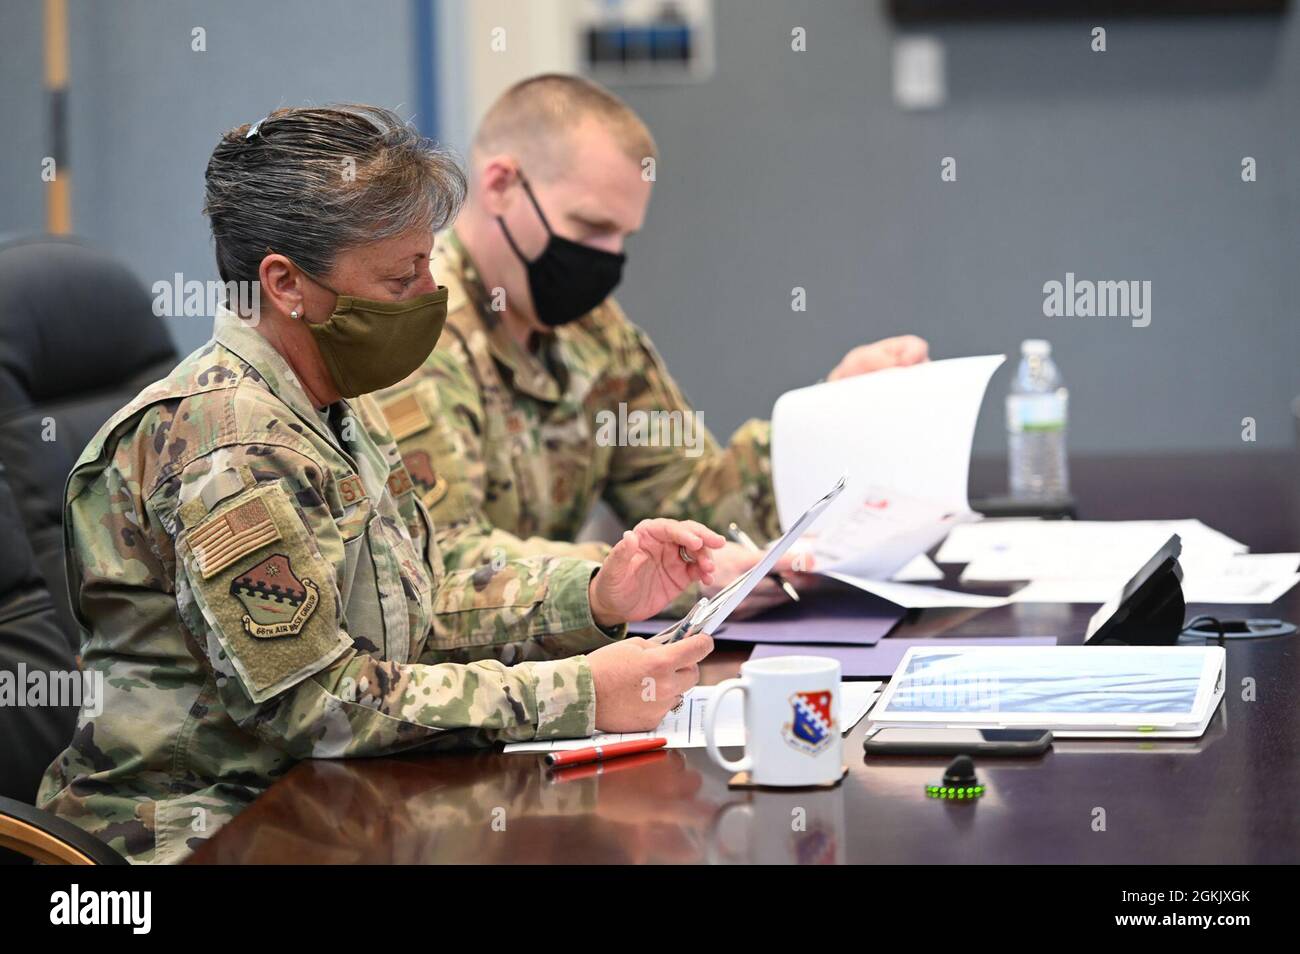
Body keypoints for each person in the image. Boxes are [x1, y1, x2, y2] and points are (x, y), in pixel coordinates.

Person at [37, 105, 719, 864]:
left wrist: (594, 597)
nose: (432, 293)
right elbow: (317, 704)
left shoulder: (332, 404)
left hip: (327, 806)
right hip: (194, 832)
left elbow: (411, 611)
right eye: (403, 277)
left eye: (428, 263)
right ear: (287, 283)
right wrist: (578, 692)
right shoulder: (227, 447)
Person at [375, 74, 928, 616]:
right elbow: (442, 557)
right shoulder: (418, 332)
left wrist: (826, 417)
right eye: (590, 227)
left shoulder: (592, 331)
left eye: (622, 236)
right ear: (499, 185)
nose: (609, 258)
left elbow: (688, 497)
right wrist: (648, 578)